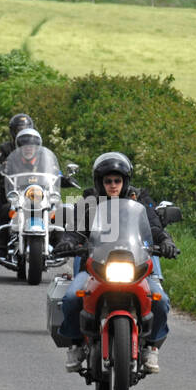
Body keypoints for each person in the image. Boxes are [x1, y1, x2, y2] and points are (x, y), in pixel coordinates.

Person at [56, 152, 177, 374]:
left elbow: (155, 228)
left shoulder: (139, 200)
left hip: (137, 266)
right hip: (95, 267)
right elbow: (74, 230)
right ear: (99, 182)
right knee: (72, 297)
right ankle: (75, 344)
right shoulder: (88, 203)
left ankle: (151, 348)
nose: (113, 185)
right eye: (108, 181)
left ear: (125, 181)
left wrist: (166, 242)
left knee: (161, 302)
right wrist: (67, 242)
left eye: (117, 181)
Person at [0, 113, 37, 253]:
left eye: (25, 128)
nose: (22, 132)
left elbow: (52, 169)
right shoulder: (6, 148)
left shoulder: (38, 149)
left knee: (57, 207)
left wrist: (62, 177)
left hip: (36, 190)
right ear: (13, 131)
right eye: (19, 129)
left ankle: (62, 240)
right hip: (12, 189)